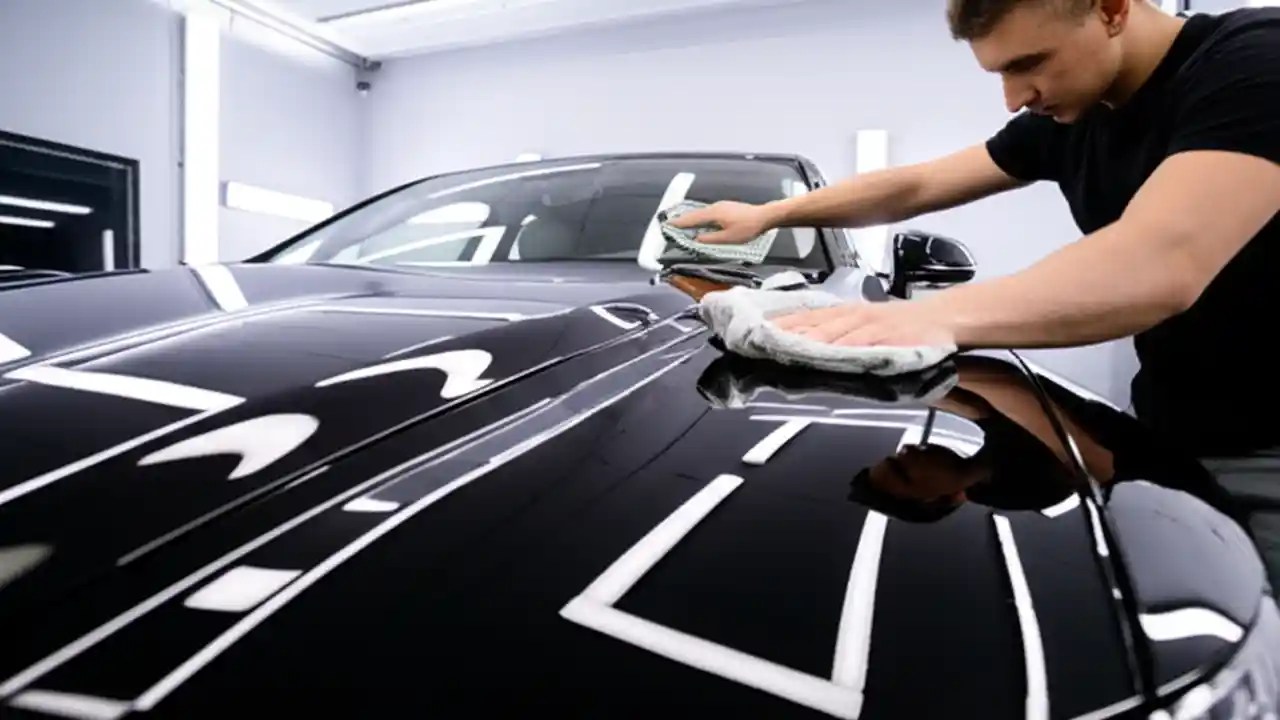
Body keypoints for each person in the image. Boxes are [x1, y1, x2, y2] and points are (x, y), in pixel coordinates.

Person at [670, 0, 1279, 582]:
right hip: (1166, 432)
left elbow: (1163, 259)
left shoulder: (1253, 61)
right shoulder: (1076, 118)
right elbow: (916, 185)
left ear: (1112, 10)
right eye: (1000, 73)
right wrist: (772, 215)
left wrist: (930, 319)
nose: (1015, 99)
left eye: (1027, 63)